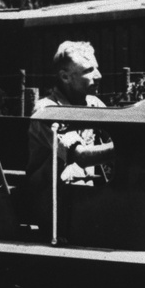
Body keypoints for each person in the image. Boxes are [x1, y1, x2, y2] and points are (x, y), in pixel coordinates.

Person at [26, 41, 115, 231]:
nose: (98, 76)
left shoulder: (94, 104)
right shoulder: (47, 111)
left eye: (96, 68)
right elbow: (81, 156)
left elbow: (114, 138)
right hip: (53, 207)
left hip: (85, 199)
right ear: (65, 77)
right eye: (88, 70)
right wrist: (130, 146)